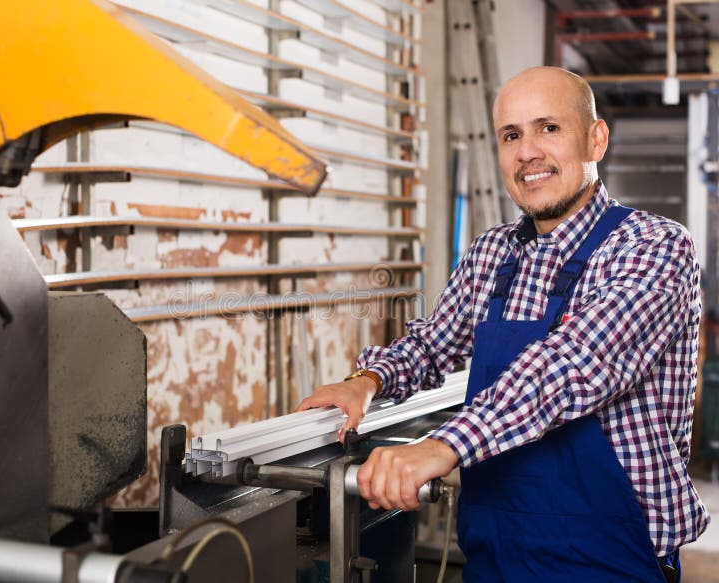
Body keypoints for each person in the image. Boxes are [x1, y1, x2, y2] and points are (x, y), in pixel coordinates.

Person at [296, 66, 709, 581]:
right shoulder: (493, 253)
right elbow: (431, 344)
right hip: (495, 554)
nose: (527, 151)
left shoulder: (654, 247)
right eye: (511, 135)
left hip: (609, 557)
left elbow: (573, 366)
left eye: (548, 128)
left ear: (595, 139)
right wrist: (366, 382)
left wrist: (442, 446)